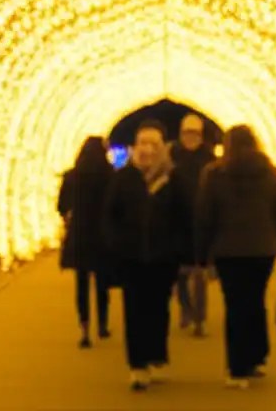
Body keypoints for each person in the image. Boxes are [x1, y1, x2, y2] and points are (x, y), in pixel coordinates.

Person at [195, 125, 276, 389]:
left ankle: (237, 368)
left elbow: (206, 218)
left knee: (235, 306)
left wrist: (203, 257)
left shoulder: (215, 174)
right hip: (263, 249)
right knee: (255, 301)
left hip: (228, 251)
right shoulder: (271, 174)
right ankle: (256, 357)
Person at [102, 119, 193, 391]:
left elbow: (185, 218)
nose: (148, 150)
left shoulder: (172, 179)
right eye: (143, 143)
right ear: (134, 147)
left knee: (157, 308)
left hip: (163, 258)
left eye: (154, 144)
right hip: (131, 257)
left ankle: (154, 352)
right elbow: (110, 216)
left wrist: (182, 252)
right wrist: (115, 246)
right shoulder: (123, 178)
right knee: (133, 310)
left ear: (163, 148)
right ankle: (137, 365)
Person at [57, 136, 115, 348]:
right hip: (103, 235)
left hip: (80, 234)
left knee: (81, 284)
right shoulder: (109, 175)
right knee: (102, 282)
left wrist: (69, 218)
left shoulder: (72, 176)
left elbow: (62, 205)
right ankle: (103, 324)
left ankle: (84, 328)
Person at [169, 113, 216, 336]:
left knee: (199, 274)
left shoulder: (208, 157)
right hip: (177, 222)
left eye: (195, 133)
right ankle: (186, 308)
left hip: (202, 222)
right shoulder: (172, 155)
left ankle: (199, 320)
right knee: (179, 274)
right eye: (187, 133)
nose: (191, 138)